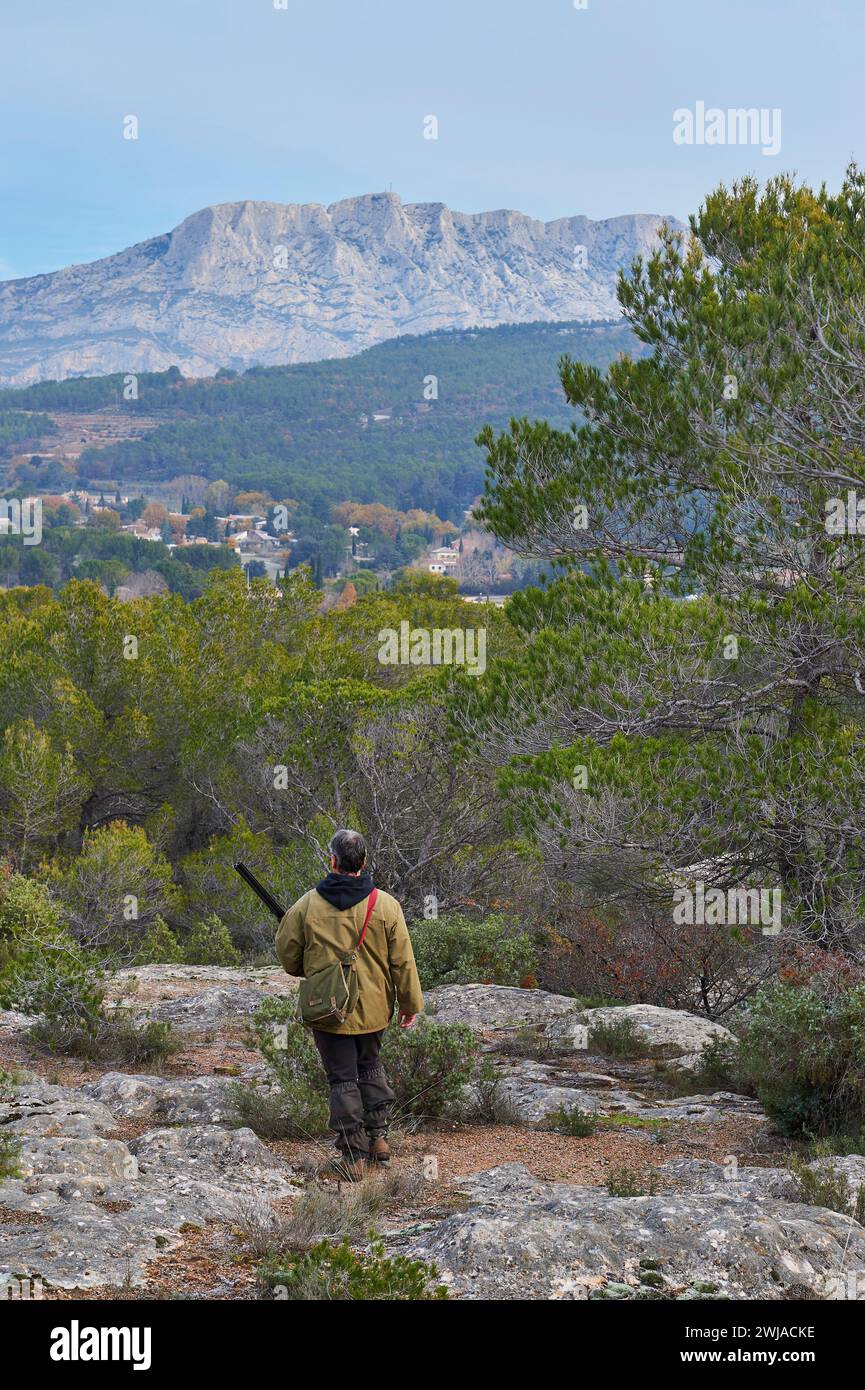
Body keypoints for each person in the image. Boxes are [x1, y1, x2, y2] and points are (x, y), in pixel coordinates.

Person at [275, 828, 424, 1179]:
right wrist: (409, 1003)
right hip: (374, 1008)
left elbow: (288, 957)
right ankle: (378, 1141)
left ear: (332, 861)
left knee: (342, 1078)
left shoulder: (307, 904)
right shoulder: (386, 904)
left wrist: (315, 972)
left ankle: (352, 1155)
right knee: (370, 1067)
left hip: (327, 1007)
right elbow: (403, 961)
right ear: (364, 862)